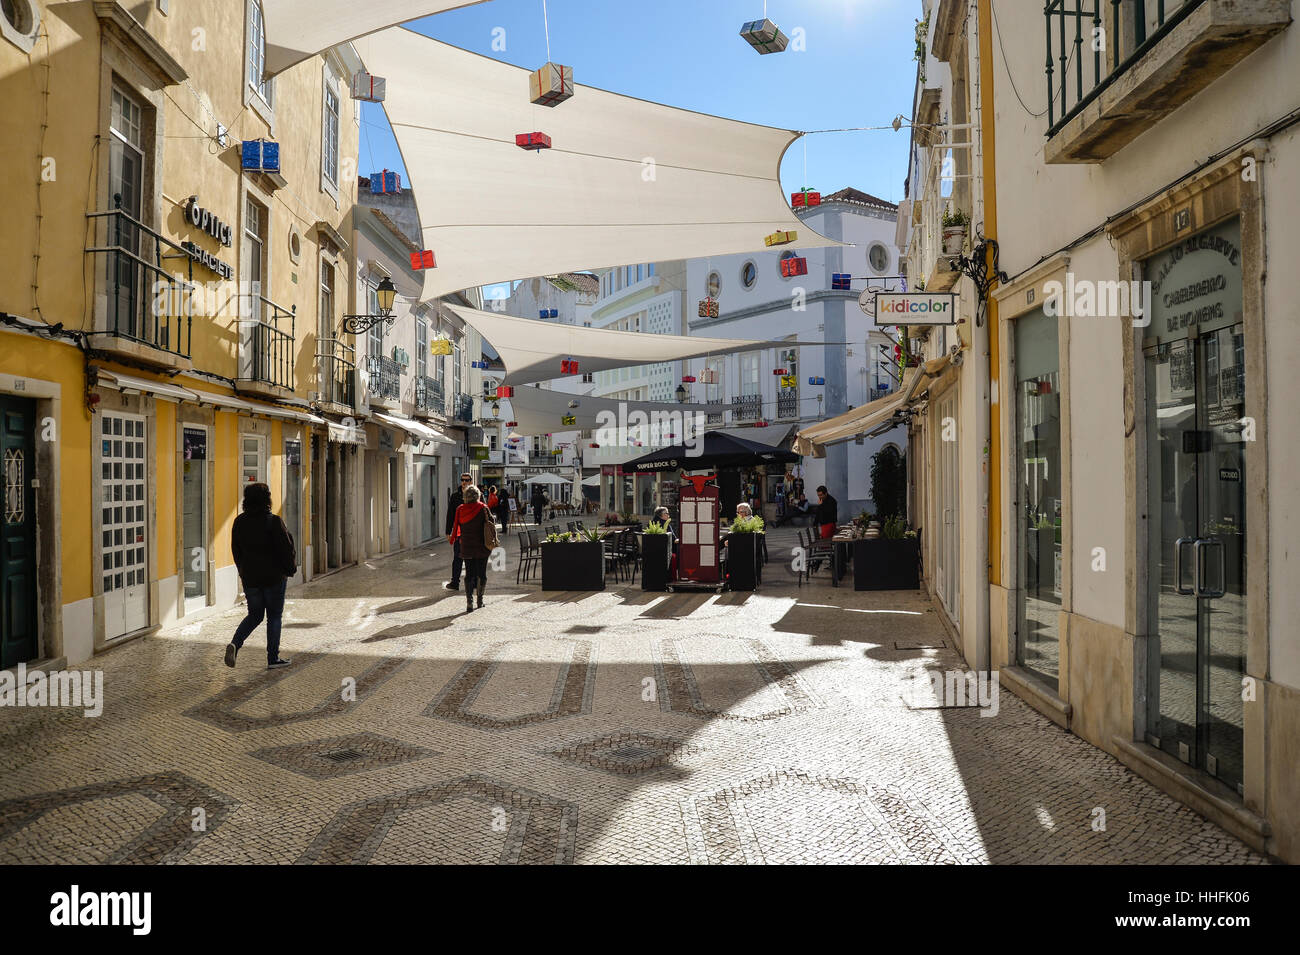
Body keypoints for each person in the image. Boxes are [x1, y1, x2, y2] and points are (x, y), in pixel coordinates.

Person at [224, 482, 296, 669]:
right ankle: (273, 658)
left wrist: (243, 571)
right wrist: (290, 569)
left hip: (251, 579)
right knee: (274, 616)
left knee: (254, 615)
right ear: (267, 499)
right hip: (274, 578)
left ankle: (235, 643)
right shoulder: (273, 521)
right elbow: (286, 549)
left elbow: (236, 550)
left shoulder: (239, 522)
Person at [450, 484, 497, 612]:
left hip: (466, 546)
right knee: (481, 573)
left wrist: (453, 538)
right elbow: (492, 522)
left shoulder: (460, 509)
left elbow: (455, 525)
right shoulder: (483, 508)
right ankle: (480, 601)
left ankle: (469, 602)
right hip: (482, 546)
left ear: (465, 496)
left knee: (469, 574)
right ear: (478, 496)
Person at [443, 472, 472, 591]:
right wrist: (448, 532)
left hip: (473, 533)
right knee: (457, 558)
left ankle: (473, 582)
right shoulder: (455, 496)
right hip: (460, 533)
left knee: (472, 558)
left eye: (466, 480)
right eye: (462, 480)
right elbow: (450, 515)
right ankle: (455, 582)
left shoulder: (476, 495)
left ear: (471, 481)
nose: (464, 482)